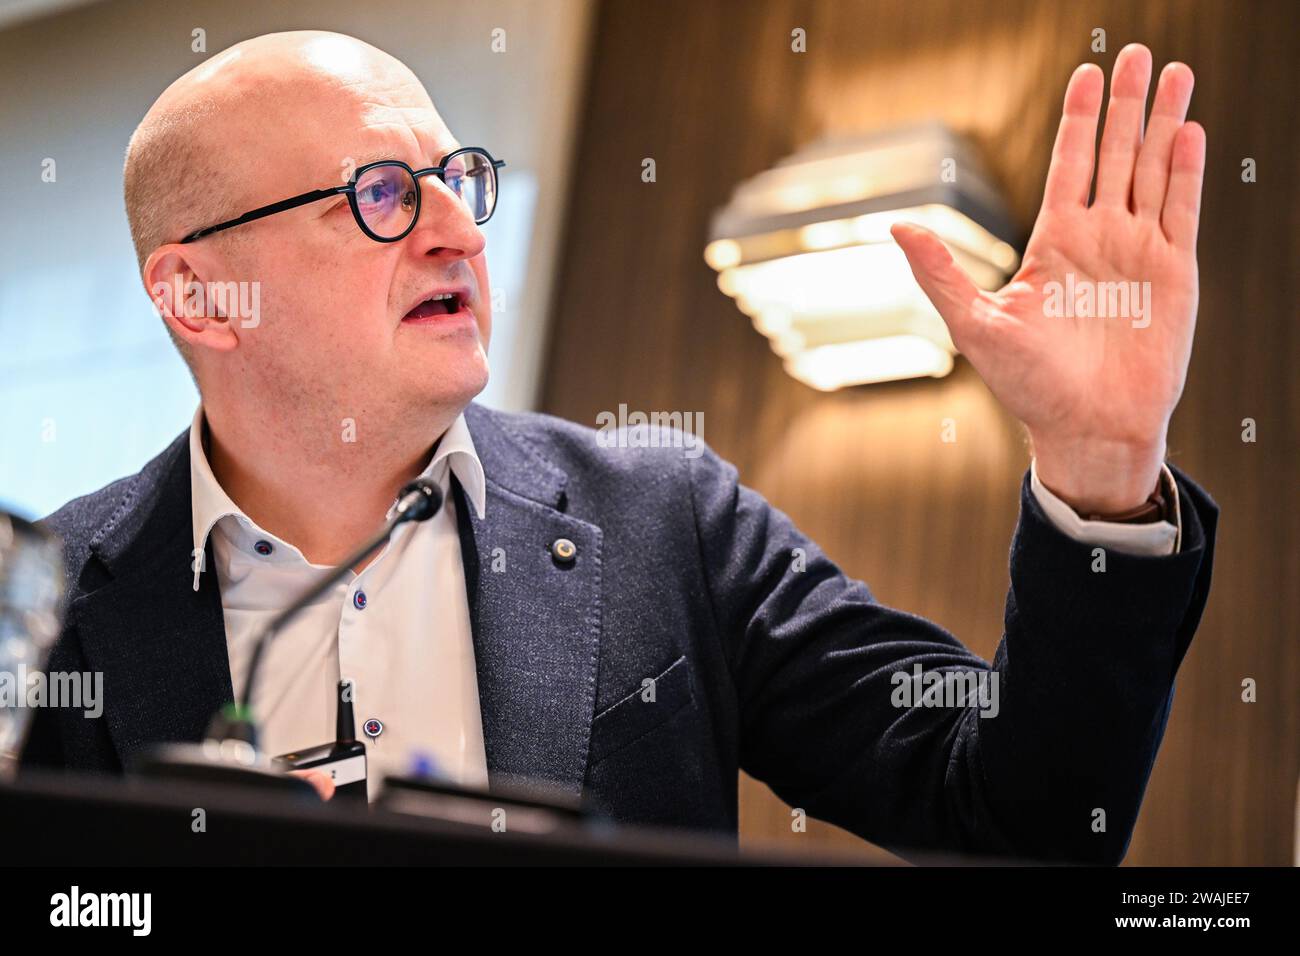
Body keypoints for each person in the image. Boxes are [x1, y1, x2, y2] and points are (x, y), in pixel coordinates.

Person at [24, 32, 1216, 863]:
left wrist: (1097, 467)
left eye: (457, 180)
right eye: (381, 194)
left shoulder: (665, 521)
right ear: (196, 292)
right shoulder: (44, 605)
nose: (454, 230)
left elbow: (1024, 823)